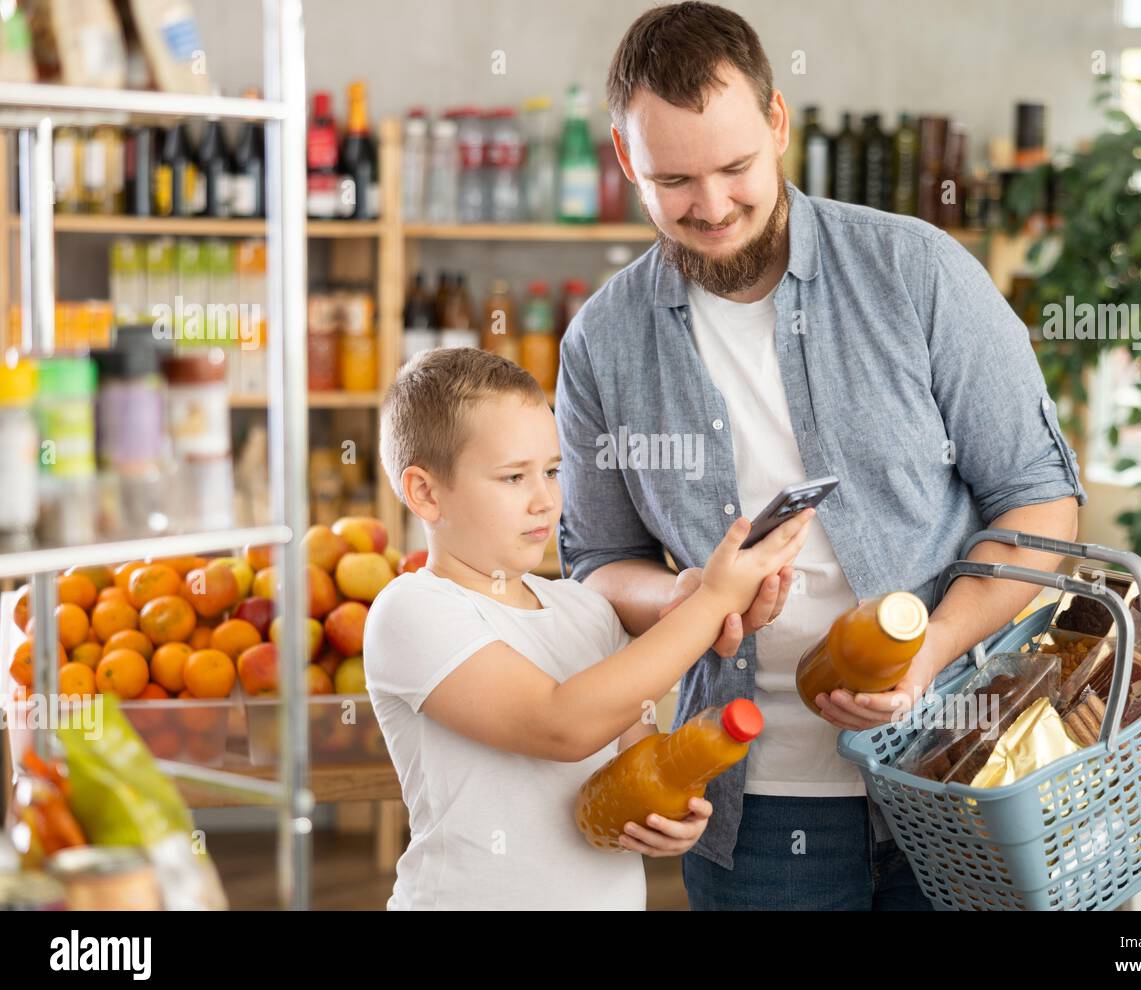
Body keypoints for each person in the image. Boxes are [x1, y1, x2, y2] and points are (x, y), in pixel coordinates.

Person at [556, 1, 1085, 910]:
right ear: (623, 159)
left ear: (777, 123)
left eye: (735, 167)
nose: (712, 207)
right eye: (674, 180)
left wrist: (934, 651)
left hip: (960, 767)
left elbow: (1040, 502)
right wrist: (680, 599)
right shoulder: (601, 343)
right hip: (750, 806)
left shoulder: (918, 272)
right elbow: (599, 565)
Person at [365, 347, 812, 909]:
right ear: (426, 493)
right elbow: (561, 726)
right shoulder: (411, 611)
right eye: (512, 478)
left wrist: (671, 810)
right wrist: (713, 600)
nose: (545, 500)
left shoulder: (586, 611)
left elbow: (635, 761)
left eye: (552, 472)